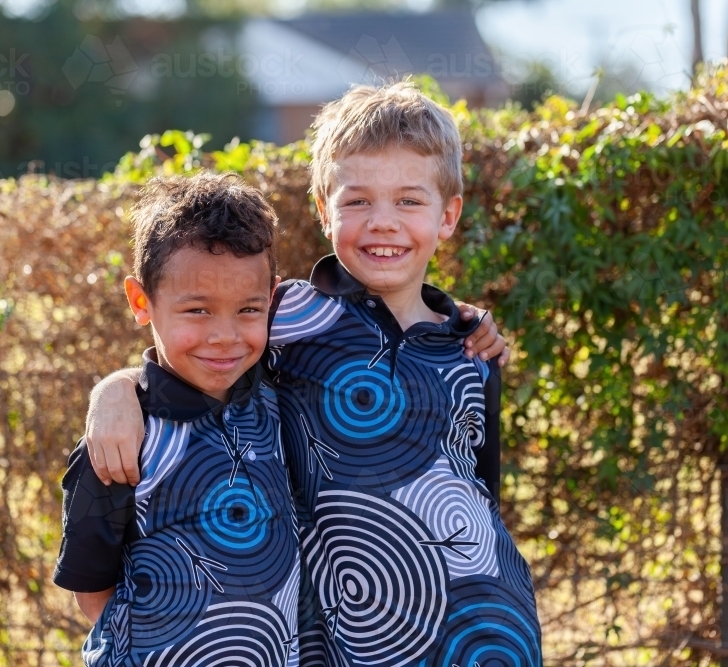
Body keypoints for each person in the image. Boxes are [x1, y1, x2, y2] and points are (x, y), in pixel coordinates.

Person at [87, 82, 541, 666]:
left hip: (490, 628)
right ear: (325, 211)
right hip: (355, 635)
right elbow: (201, 350)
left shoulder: (470, 345)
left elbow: (481, 489)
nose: (383, 223)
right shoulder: (292, 316)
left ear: (447, 216)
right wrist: (117, 389)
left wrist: (475, 325)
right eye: (357, 201)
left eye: (409, 201)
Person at [53, 173, 300, 666]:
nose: (225, 336)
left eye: (248, 309)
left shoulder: (282, 403)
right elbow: (92, 590)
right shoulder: (122, 440)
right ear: (142, 302)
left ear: (270, 299)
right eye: (198, 311)